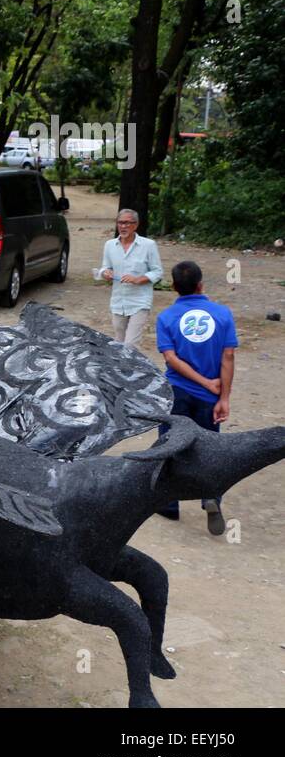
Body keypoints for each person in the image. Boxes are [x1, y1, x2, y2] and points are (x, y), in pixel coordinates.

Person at [153, 260, 237, 534]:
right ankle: (210, 495)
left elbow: (170, 358)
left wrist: (200, 382)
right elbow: (227, 356)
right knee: (208, 448)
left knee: (170, 444)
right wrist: (222, 395)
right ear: (201, 285)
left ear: (174, 287)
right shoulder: (223, 314)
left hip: (176, 390)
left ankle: (168, 503)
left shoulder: (166, 318)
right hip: (209, 395)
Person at [99, 208, 162, 349]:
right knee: (119, 342)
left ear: (136, 225)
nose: (123, 226)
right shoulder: (110, 245)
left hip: (140, 301)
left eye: (127, 223)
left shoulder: (148, 245)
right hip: (118, 301)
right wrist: (105, 273)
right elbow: (104, 267)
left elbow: (158, 271)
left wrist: (139, 279)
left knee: (130, 344)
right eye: (120, 223)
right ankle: (120, 370)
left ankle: (133, 371)